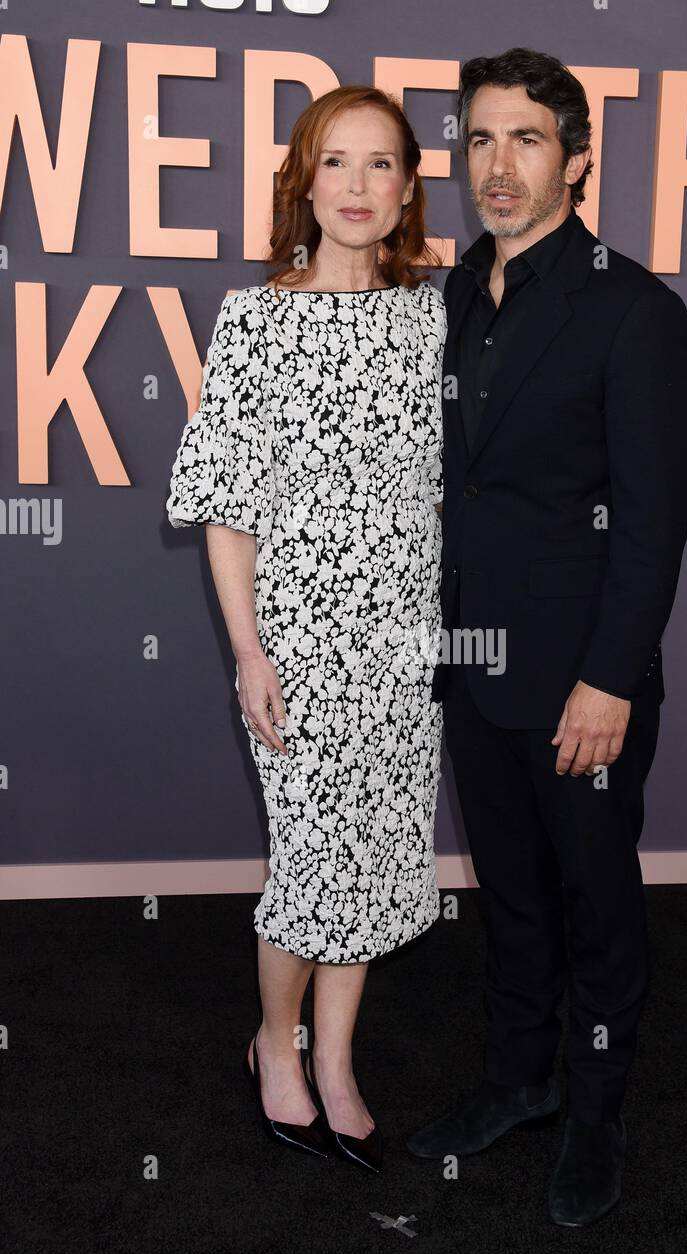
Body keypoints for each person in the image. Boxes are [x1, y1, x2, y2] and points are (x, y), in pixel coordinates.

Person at [406, 48, 687, 1226]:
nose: (496, 165)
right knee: (511, 893)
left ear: (578, 158)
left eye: (524, 139)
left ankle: (594, 1108)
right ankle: (518, 1081)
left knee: (595, 899)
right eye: (477, 140)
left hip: (582, 682)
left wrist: (607, 680)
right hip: (471, 671)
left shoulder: (633, 307)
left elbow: (650, 525)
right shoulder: (448, 297)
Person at [166, 86, 445, 1175]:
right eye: (338, 163)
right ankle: (273, 1047)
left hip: (404, 646)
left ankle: (336, 1064)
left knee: (373, 857)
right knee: (310, 858)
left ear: (410, 184)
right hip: (295, 645)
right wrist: (249, 655)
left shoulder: (434, 318)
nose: (359, 187)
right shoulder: (258, 319)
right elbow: (227, 510)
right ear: (304, 180)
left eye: (382, 165)